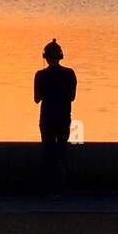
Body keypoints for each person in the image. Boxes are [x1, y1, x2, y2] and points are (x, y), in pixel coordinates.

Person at [34, 38, 77, 194]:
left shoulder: (40, 75)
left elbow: (36, 99)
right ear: (60, 57)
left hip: (46, 119)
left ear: (44, 57)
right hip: (64, 118)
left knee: (48, 152)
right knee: (62, 152)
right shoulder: (70, 73)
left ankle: (49, 188)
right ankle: (63, 187)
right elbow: (72, 97)